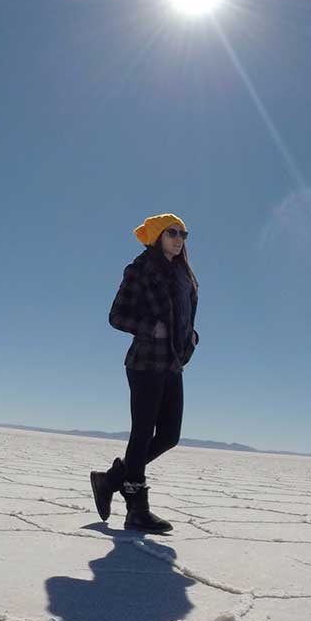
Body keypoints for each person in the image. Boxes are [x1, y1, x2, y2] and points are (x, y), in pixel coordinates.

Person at [91, 213, 200, 533]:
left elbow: (185, 319)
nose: (179, 239)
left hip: (172, 364)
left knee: (169, 436)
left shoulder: (184, 276)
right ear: (156, 236)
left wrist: (191, 340)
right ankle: (136, 508)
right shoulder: (139, 270)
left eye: (183, 233)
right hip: (144, 363)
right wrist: (151, 328)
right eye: (172, 233)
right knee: (141, 434)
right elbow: (116, 316)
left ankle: (110, 480)